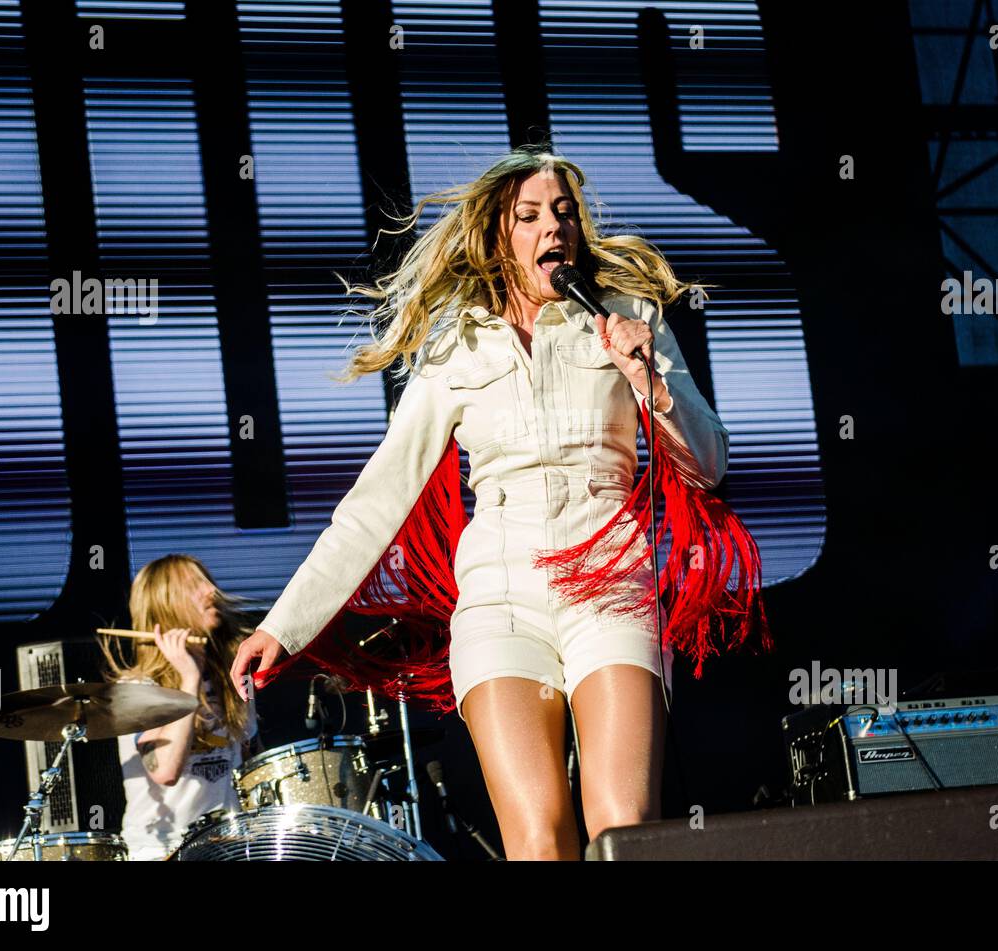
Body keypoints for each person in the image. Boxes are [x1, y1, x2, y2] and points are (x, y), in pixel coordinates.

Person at [231, 145, 767, 860]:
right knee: (539, 838)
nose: (555, 227)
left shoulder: (626, 318)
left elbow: (707, 466)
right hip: (499, 596)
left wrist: (652, 384)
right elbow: (375, 502)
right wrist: (285, 624)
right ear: (498, 236)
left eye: (565, 213)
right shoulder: (456, 347)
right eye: (532, 215)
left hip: (609, 577)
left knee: (623, 825)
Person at [103, 554, 259, 860]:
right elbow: (165, 771)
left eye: (208, 582)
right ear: (166, 604)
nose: (210, 591)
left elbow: (247, 764)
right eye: (194, 586)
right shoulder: (138, 690)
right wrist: (189, 679)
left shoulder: (231, 679)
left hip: (226, 845)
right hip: (162, 849)